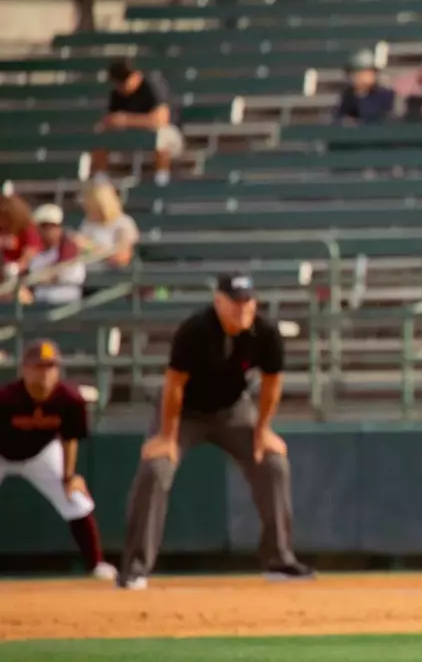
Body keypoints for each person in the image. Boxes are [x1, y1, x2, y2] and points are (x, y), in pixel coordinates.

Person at [118, 274, 314, 589]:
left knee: (274, 464)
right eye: (234, 301)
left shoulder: (265, 331)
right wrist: (166, 436)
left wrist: (263, 430)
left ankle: (279, 560)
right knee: (155, 469)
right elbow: (174, 386)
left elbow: (272, 383)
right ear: (218, 301)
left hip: (233, 410)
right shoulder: (195, 330)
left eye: (246, 300)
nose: (241, 308)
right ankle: (136, 568)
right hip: (185, 414)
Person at [0, 341, 115, 579]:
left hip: (41, 453)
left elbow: (70, 439)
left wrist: (68, 476)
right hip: (1, 453)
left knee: (75, 498)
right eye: (38, 366)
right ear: (24, 369)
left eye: (50, 366)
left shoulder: (70, 398)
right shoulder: (6, 398)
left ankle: (96, 564)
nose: (44, 372)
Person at [96, 60, 183, 186]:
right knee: (101, 132)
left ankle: (161, 180)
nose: (122, 85)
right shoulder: (117, 94)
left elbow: (160, 120)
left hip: (171, 134)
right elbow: (110, 119)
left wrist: (126, 120)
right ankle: (100, 178)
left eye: (125, 80)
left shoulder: (152, 85)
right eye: (118, 82)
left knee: (160, 136)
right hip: (133, 136)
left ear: (135, 75)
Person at [25, 204, 86, 306]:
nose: (47, 231)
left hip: (66, 302)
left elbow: (71, 276)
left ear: (59, 228)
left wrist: (49, 276)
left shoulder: (71, 249)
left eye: (52, 227)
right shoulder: (36, 253)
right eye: (43, 227)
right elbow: (34, 276)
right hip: (39, 302)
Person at [76, 180, 139, 276]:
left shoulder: (123, 223)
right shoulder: (87, 223)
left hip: (110, 274)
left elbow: (122, 258)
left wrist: (91, 248)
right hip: (84, 272)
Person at [332, 49, 396, 126]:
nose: (365, 76)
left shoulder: (385, 95)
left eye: (369, 72)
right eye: (360, 73)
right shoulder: (347, 96)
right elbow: (338, 119)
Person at [1, 194, 42, 287]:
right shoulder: (2, 229)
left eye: (5, 216)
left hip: (24, 277)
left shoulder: (27, 229)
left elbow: (31, 252)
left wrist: (17, 267)